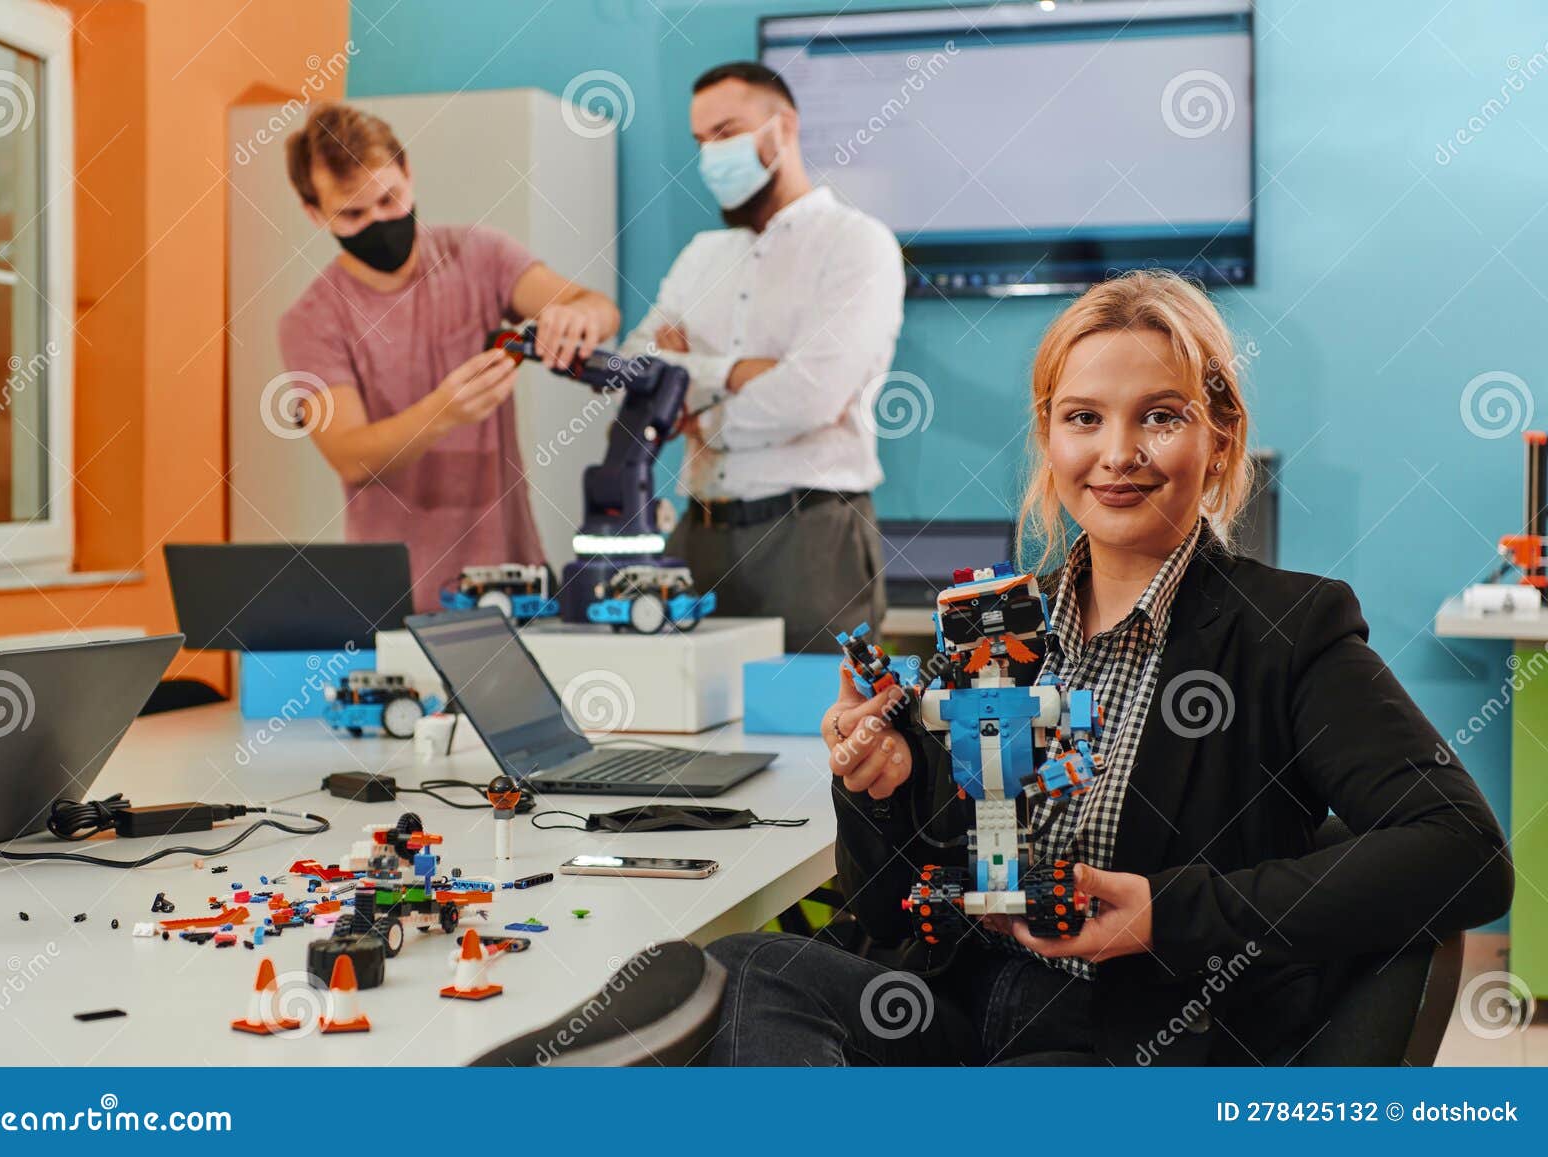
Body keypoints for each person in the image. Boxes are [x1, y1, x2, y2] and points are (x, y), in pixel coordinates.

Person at [705, 270, 1512, 1066]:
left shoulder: (1290, 630)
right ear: (1050, 435)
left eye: (1160, 416)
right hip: (948, 1003)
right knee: (741, 975)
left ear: (1219, 435)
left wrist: (1163, 911)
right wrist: (874, 791)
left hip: (1123, 1034)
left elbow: (1461, 849)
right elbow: (886, 906)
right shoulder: (992, 627)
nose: (1117, 453)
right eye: (1084, 417)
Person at [278, 103, 620, 611]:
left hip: (515, 576)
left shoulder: (478, 255)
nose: (378, 221)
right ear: (313, 213)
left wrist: (578, 317)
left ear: (409, 173)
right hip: (402, 595)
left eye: (389, 198)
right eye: (353, 213)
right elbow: (349, 456)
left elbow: (597, 308)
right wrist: (443, 413)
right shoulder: (312, 320)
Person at [622, 63, 904, 654]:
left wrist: (695, 406)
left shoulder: (856, 243)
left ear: (783, 127)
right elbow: (634, 369)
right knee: (687, 730)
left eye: (727, 132)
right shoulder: (701, 256)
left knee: (818, 730)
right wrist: (734, 374)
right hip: (696, 538)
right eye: (701, 143)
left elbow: (810, 397)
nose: (710, 157)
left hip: (809, 540)